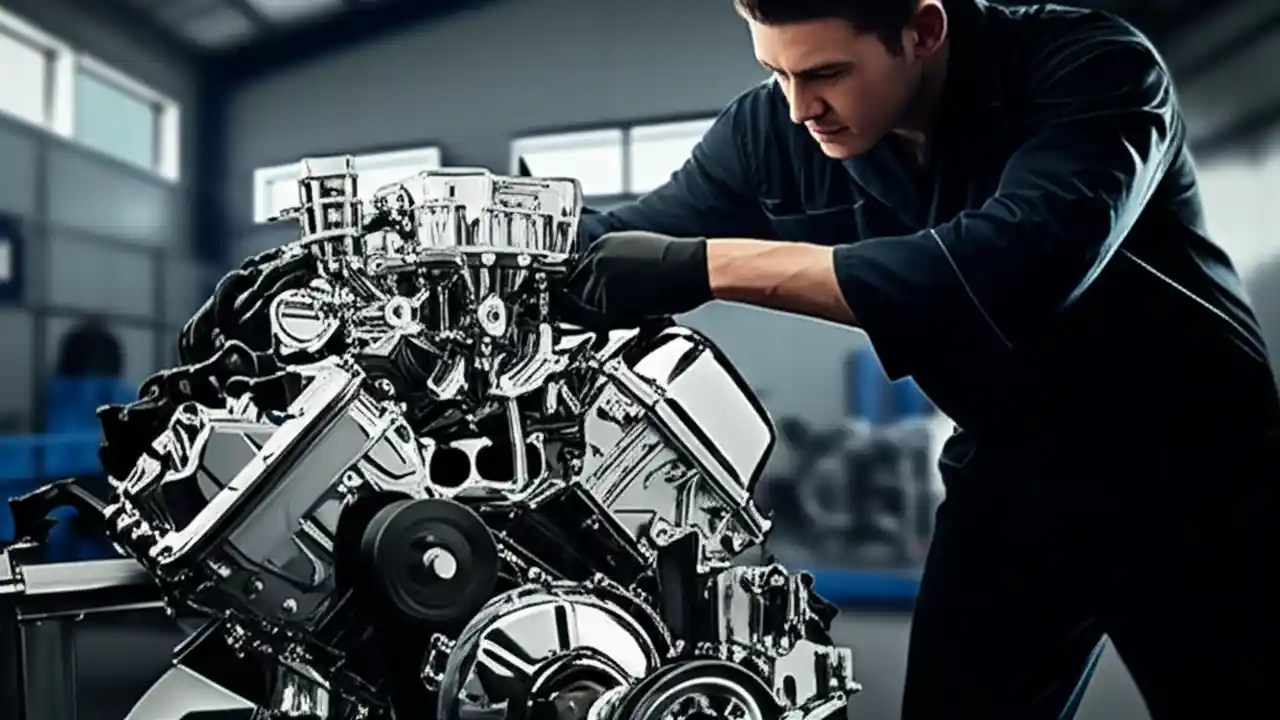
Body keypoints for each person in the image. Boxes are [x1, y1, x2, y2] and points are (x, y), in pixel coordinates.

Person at [555, 0, 1279, 718]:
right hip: (1009, 464)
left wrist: (715, 265)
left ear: (924, 31)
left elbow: (1011, 270)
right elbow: (620, 252)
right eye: (777, 73)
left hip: (1194, 465)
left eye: (827, 73)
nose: (801, 108)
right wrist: (504, 242)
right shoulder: (769, 132)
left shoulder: (1093, 69)